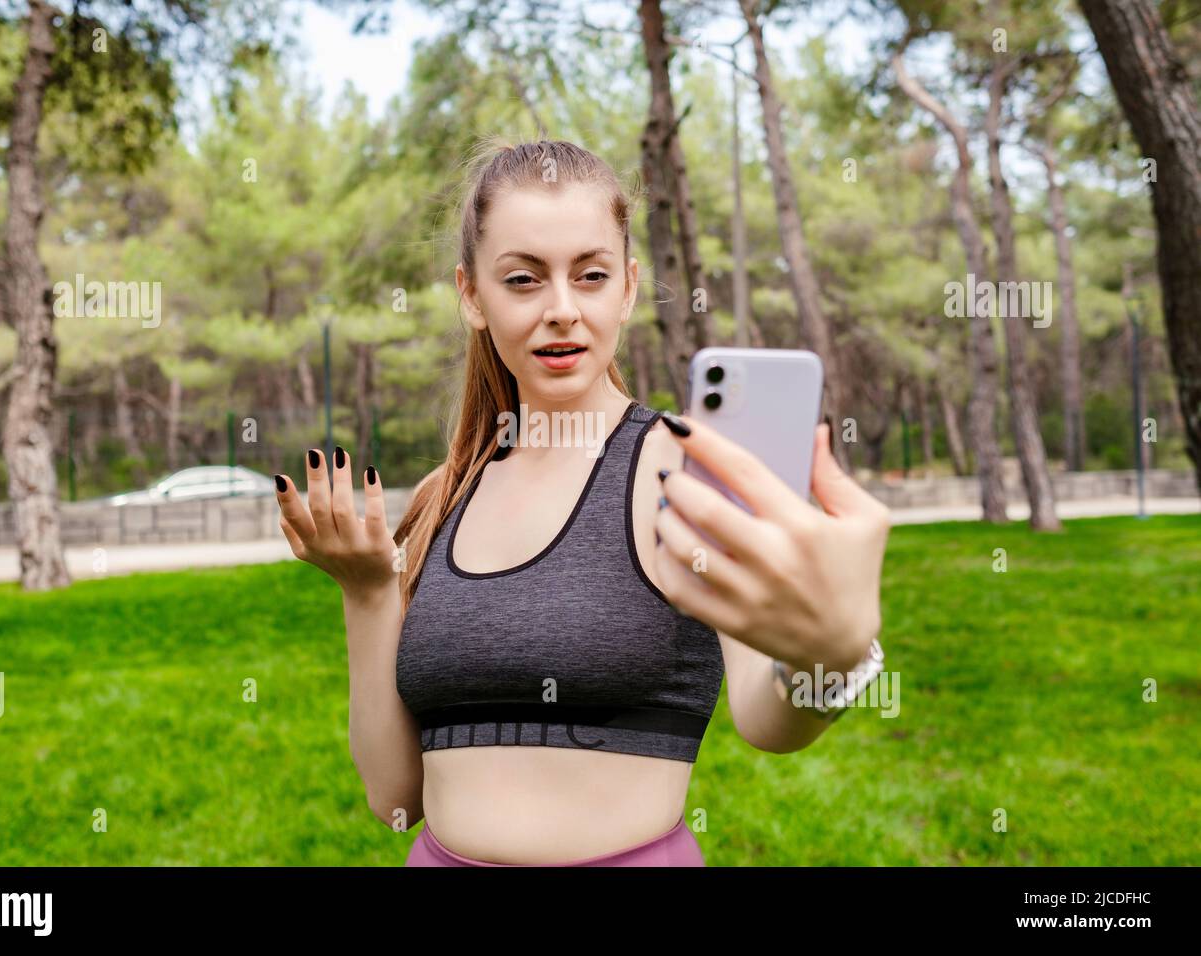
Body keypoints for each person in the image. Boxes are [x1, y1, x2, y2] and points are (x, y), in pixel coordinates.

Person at [272, 138, 892, 867]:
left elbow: (767, 718)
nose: (562, 310)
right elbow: (396, 799)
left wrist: (832, 656)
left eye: (590, 276)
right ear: (472, 295)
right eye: (524, 280)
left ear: (627, 288)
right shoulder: (451, 491)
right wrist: (369, 591)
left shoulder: (682, 468)